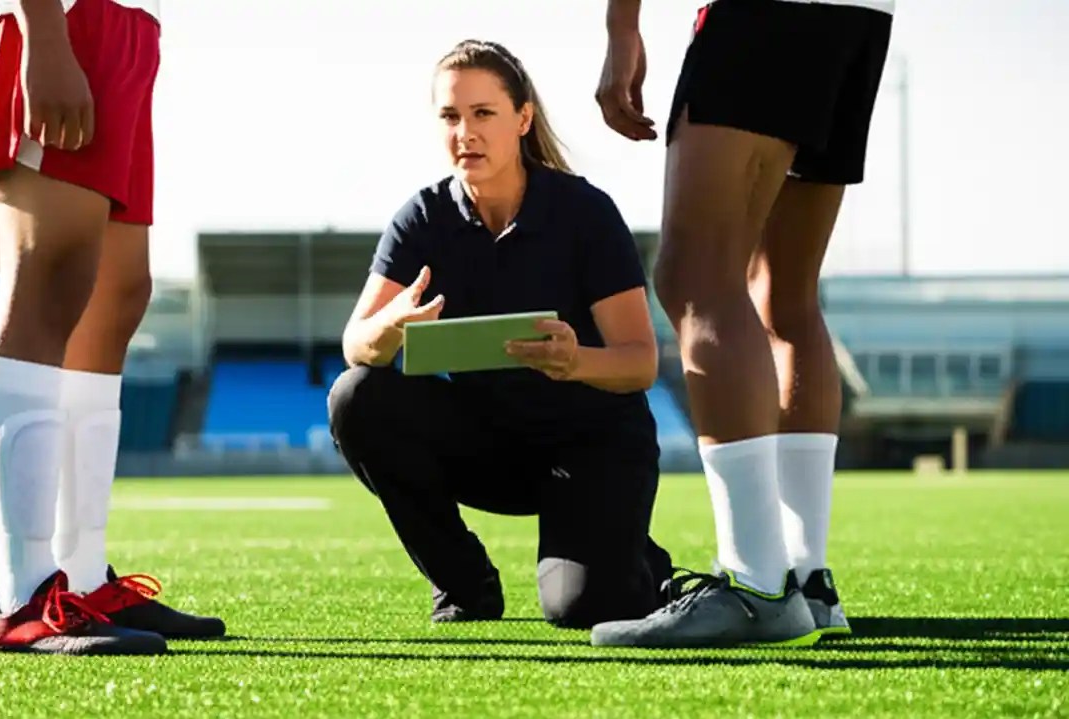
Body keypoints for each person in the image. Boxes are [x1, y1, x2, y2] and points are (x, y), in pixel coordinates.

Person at [327, 39, 674, 629]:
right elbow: (355, 344)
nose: (465, 132)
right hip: (492, 445)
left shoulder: (584, 212)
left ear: (523, 118)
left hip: (591, 446)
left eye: (483, 113)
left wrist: (575, 362)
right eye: (450, 116)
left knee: (583, 609)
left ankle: (637, 560)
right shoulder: (422, 217)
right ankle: (464, 584)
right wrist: (390, 326)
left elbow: (640, 363)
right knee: (356, 396)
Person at [589, 0, 895, 648]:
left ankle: (757, 587)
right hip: (860, 20)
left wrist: (622, 27)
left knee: (697, 278)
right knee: (783, 295)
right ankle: (806, 581)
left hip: (766, 15)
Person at [0, 0, 225, 654]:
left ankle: (79, 581)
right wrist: (44, 34)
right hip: (58, 22)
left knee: (116, 296)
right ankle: (21, 595)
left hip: (124, 29)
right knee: (47, 275)